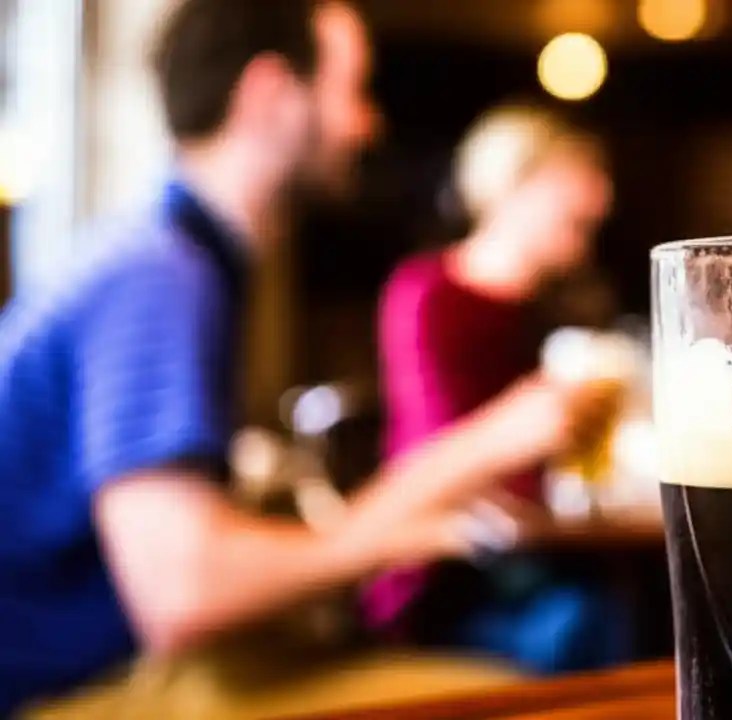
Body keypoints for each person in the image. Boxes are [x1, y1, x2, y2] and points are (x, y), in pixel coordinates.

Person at [0, 1, 597, 713]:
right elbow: (182, 592)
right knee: (527, 702)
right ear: (270, 95)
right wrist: (394, 534)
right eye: (352, 89)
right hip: (63, 694)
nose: (368, 122)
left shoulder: (169, 253)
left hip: (116, 666)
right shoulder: (158, 274)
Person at [371, 105, 620, 671]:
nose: (599, 194)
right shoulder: (429, 294)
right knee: (585, 616)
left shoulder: (560, 310)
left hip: (540, 551)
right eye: (577, 174)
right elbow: (445, 461)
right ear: (517, 183)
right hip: (444, 565)